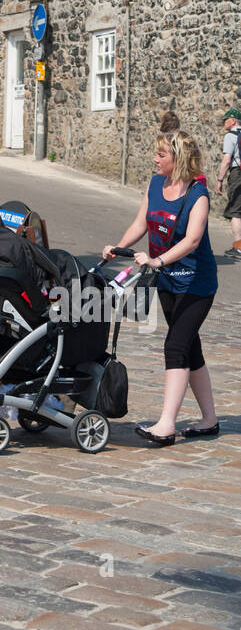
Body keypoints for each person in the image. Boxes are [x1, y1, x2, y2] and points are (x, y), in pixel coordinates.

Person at [104, 130, 219, 445]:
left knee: (175, 347)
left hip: (196, 283)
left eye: (161, 155)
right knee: (189, 348)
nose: (155, 159)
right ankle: (209, 420)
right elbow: (142, 222)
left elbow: (192, 239)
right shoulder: (156, 185)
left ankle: (167, 425)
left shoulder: (198, 195)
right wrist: (119, 246)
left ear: (177, 159)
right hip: (167, 280)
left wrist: (158, 260)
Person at [216, 107, 241, 261]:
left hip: (238, 174)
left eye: (225, 120)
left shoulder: (231, 136)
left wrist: (219, 179)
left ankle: (238, 248)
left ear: (233, 121)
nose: (224, 123)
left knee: (235, 212)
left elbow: (227, 159)